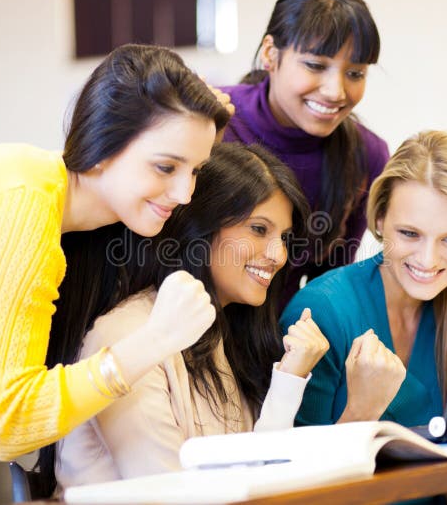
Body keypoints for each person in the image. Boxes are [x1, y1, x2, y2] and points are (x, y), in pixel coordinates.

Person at [0, 43, 231, 504]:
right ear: (102, 144)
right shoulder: (22, 207)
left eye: (194, 169)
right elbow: (7, 425)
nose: (185, 192)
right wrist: (153, 341)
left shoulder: (49, 202)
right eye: (165, 166)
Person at [54, 143, 329, 489]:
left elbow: (258, 481)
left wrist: (290, 379)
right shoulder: (127, 335)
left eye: (284, 237)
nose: (278, 254)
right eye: (259, 229)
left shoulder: (225, 334)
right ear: (199, 228)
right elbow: (171, 491)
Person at [280, 131, 447, 504]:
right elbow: (305, 495)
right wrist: (364, 409)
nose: (428, 260)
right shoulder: (322, 312)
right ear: (380, 219)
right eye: (410, 233)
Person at [220, 0, 390, 306]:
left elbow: (327, 290)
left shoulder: (366, 157)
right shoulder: (215, 125)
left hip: (282, 341)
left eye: (354, 73)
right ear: (271, 54)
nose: (335, 91)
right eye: (315, 65)